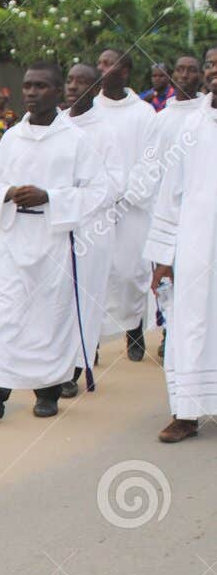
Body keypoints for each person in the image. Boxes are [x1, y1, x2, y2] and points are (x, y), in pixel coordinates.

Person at [0, 62, 106, 421]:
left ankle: (48, 391)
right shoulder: (12, 138)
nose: (32, 93)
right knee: (5, 314)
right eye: (28, 86)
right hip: (14, 237)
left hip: (53, 238)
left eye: (41, 86)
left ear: (56, 92)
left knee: (47, 317)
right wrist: (8, 192)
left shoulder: (75, 140)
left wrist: (50, 197)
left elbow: (98, 191)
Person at [145, 90, 217, 442]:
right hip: (194, 247)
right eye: (211, 65)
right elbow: (170, 192)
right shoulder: (191, 125)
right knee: (189, 325)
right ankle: (185, 414)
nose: (215, 72)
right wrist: (163, 258)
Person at [91, 48, 159, 362]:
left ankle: (134, 326)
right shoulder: (90, 110)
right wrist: (101, 194)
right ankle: (90, 341)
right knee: (96, 274)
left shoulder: (143, 114)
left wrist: (125, 194)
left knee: (132, 273)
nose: (102, 68)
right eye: (100, 63)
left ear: (125, 72)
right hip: (96, 207)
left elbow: (150, 161)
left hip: (132, 207)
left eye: (109, 63)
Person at [59, 61, 118, 399]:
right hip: (59, 225)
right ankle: (55, 366)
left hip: (92, 226)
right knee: (59, 299)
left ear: (95, 89)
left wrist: (77, 196)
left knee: (85, 298)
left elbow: (114, 182)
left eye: (81, 82)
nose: (73, 87)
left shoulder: (105, 131)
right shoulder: (58, 124)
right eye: (69, 80)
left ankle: (76, 368)